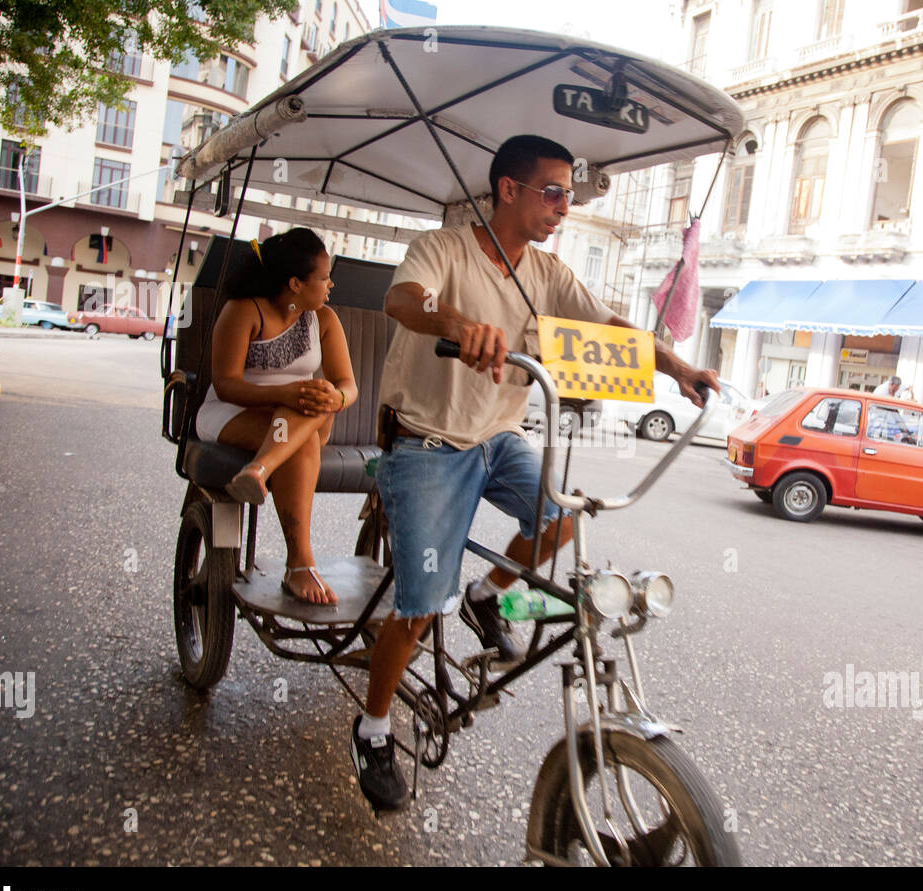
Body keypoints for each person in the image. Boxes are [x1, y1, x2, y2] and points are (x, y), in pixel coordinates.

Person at [349, 134, 720, 810]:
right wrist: (459, 324)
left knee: (565, 519)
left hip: (499, 437)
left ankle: (488, 595)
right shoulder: (446, 249)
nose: (563, 207)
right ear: (508, 190)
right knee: (420, 607)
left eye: (569, 196)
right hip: (428, 442)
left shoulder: (548, 273)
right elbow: (403, 300)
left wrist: (682, 370)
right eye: (552, 192)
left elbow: (614, 329)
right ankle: (372, 729)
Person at [194, 227, 358, 604]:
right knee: (302, 429)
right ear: (295, 283)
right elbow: (226, 384)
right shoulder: (244, 310)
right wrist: (287, 392)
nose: (331, 284)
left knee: (310, 401)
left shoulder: (325, 320)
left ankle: (259, 470)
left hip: (301, 418)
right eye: (323, 277)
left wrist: (336, 398)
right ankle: (299, 565)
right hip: (234, 412)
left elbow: (347, 383)